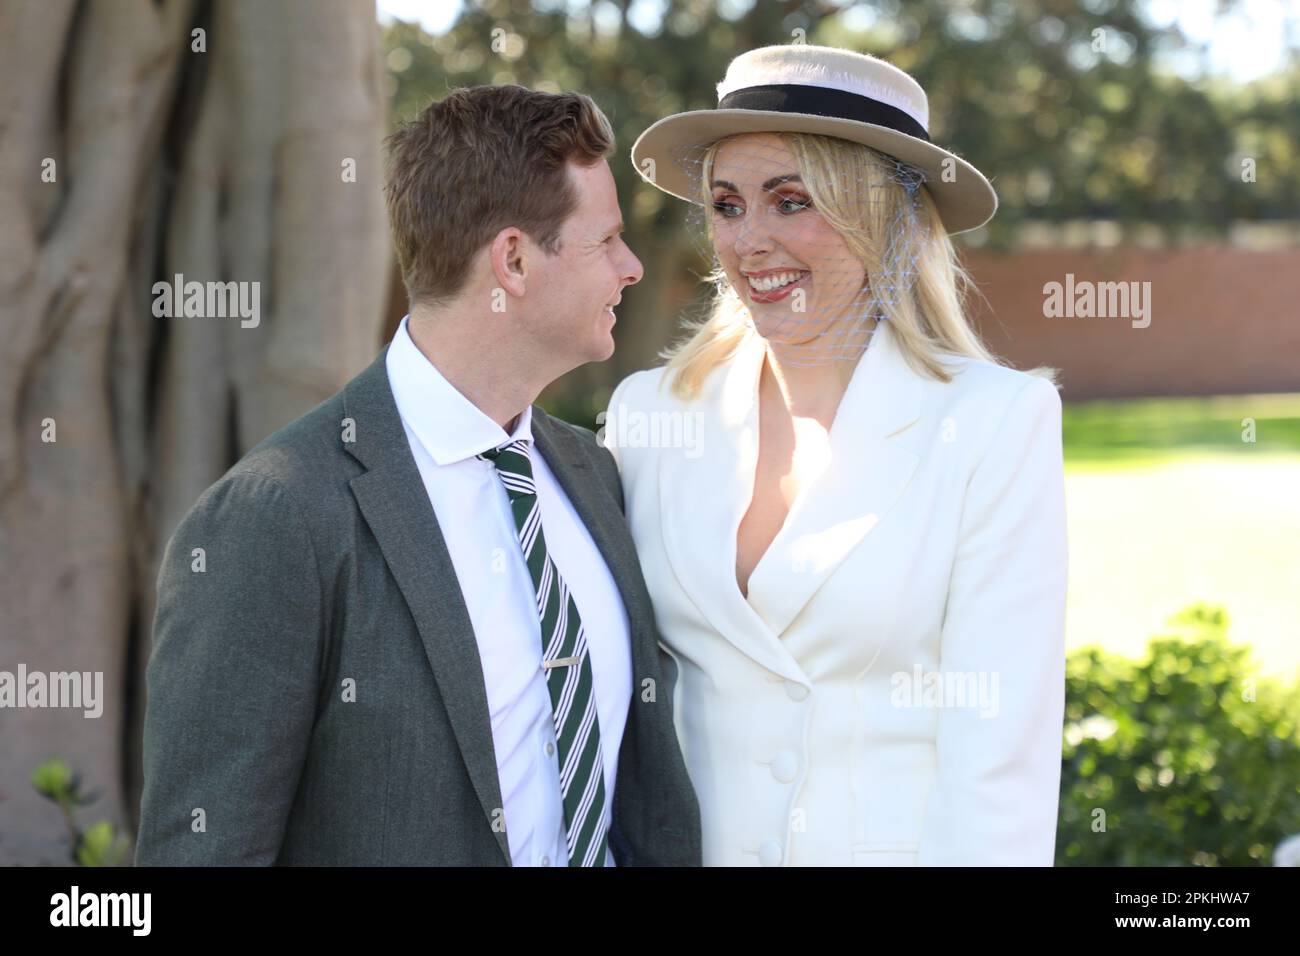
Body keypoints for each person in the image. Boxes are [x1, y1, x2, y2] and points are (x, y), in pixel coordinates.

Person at [135, 85, 701, 867]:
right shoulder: (277, 515)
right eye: (605, 240)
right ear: (513, 260)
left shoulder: (593, 474)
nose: (633, 267)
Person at [604, 44, 1067, 866]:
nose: (750, 242)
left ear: (880, 215)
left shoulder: (997, 422)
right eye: (728, 204)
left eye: (792, 201)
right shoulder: (649, 414)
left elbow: (998, 763)